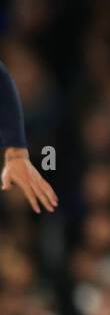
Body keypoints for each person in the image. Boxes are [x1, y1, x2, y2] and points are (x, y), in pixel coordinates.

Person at [0, 59, 58, 214]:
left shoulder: (50, 119)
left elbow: (51, 160)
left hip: (44, 190)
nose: (23, 82)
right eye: (17, 76)